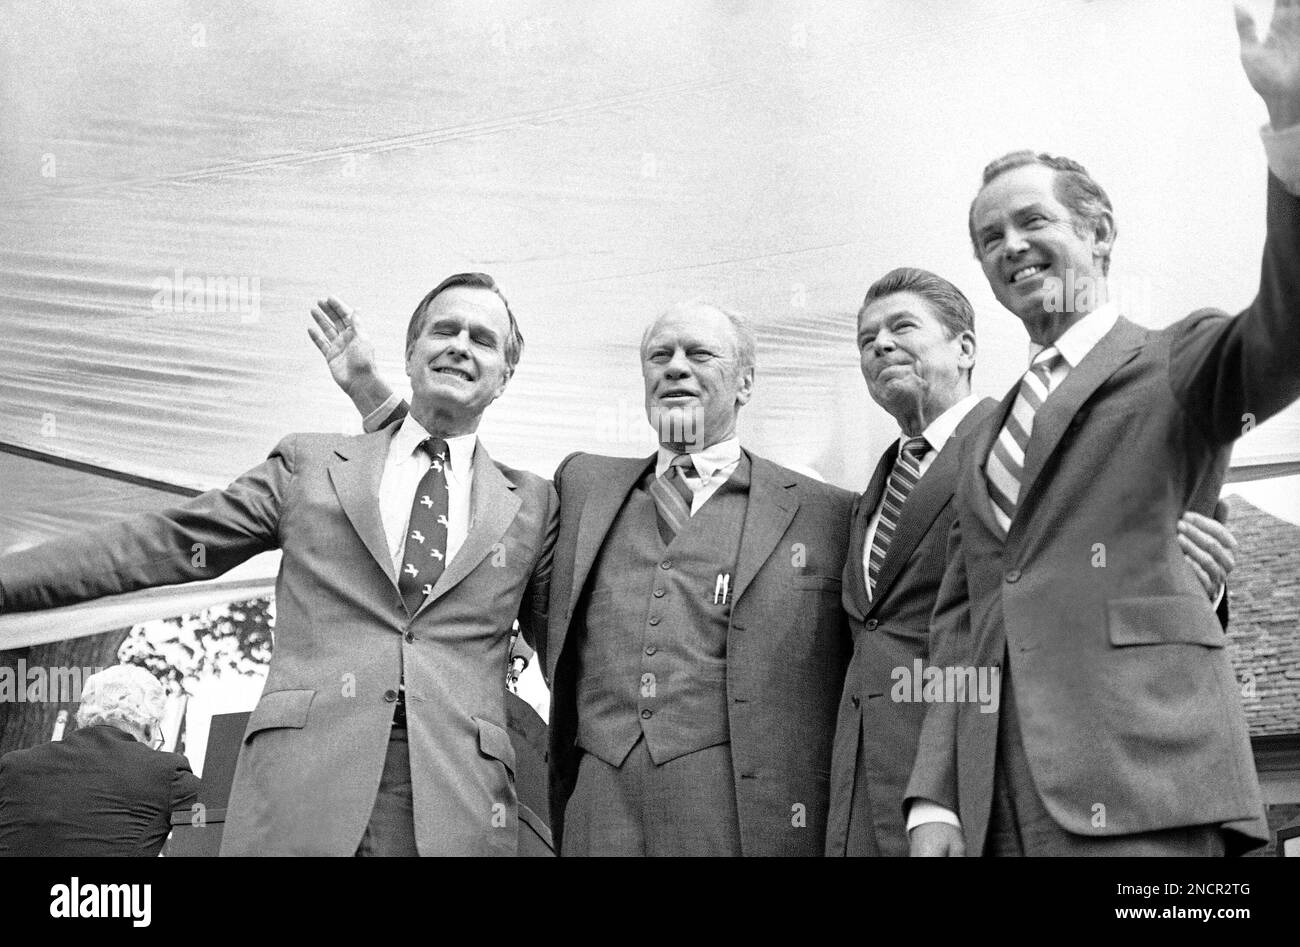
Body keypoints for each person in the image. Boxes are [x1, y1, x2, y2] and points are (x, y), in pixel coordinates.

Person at [906, 6, 1300, 856]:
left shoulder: (1177, 362)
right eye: (989, 238)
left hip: (1147, 786)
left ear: (1099, 232)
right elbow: (959, 624)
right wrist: (934, 797)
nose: (1010, 245)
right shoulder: (980, 439)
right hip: (999, 808)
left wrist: (1293, 130)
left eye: (1032, 221)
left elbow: (1288, 329)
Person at [0, 273, 557, 856]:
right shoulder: (309, 465)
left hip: (459, 810)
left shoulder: (534, 505)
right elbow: (166, 541)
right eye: (444, 331)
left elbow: (574, 655)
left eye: (482, 339)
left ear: (504, 376)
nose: (460, 346)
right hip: (301, 790)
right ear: (411, 352)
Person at [319, 296, 853, 855]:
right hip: (599, 815)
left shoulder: (824, 512)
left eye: (700, 355)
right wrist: (369, 392)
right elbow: (462, 482)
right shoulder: (584, 486)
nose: (675, 367)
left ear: (745, 382)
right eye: (660, 355)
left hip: (742, 820)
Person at [825, 269, 1238, 857]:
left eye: (902, 327)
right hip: (871, 799)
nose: (880, 345)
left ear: (965, 348)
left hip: (997, 780)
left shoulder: (1030, 446)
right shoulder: (869, 492)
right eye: (866, 340)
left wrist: (1197, 589)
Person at [0, 664, 201, 856]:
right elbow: (213, 821)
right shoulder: (166, 774)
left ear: (84, 717)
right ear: (149, 727)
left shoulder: (12, 767)